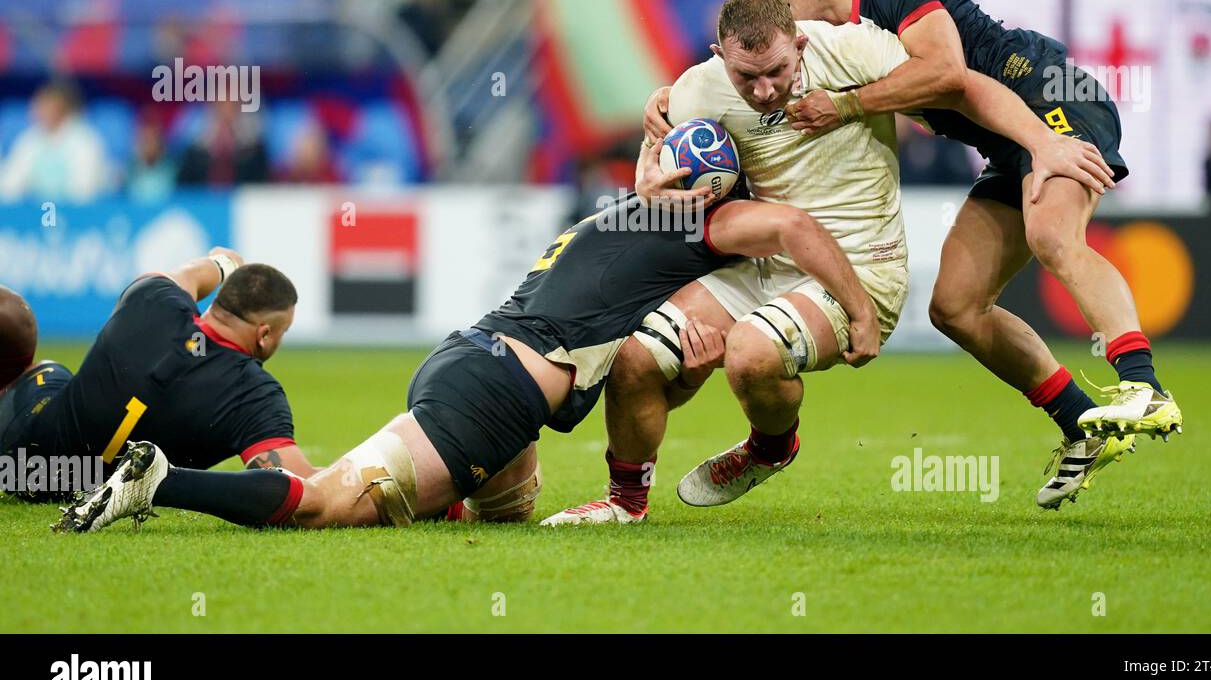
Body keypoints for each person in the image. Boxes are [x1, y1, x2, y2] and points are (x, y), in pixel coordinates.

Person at [665, 0, 1180, 508]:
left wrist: (1044, 143)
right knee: (956, 307)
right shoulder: (835, 43)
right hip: (1005, 141)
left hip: (1047, 101)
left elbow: (948, 72)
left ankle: (1144, 386)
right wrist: (667, 99)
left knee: (1052, 235)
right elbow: (733, 79)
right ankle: (1080, 422)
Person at [543, 0, 1113, 526]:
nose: (765, 90)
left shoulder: (854, 49)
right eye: (747, 77)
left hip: (862, 272)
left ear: (800, 46)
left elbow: (956, 82)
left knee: (748, 354)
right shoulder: (699, 89)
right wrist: (650, 181)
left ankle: (770, 447)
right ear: (720, 57)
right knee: (636, 360)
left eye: (777, 72)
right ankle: (625, 504)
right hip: (766, 265)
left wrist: (1044, 144)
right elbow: (655, 155)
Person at [55, 190, 877, 534]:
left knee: (513, 506)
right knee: (325, 505)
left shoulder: (610, 225)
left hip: (468, 365)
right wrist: (861, 308)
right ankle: (161, 479)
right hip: (488, 394)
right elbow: (795, 229)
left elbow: (565, 405)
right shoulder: (694, 223)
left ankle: (444, 503)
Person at [1, 250, 315, 503]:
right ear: (264, 335)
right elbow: (301, 484)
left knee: (24, 332)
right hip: (97, 494)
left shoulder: (152, 298)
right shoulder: (255, 394)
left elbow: (193, 272)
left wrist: (226, 263)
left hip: (23, 471)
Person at [0, 81, 112, 202]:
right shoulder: (29, 139)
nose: (36, 110)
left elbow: (84, 191)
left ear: (60, 107)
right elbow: (11, 185)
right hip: (38, 212)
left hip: (76, 215)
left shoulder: (85, 141)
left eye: (44, 105)